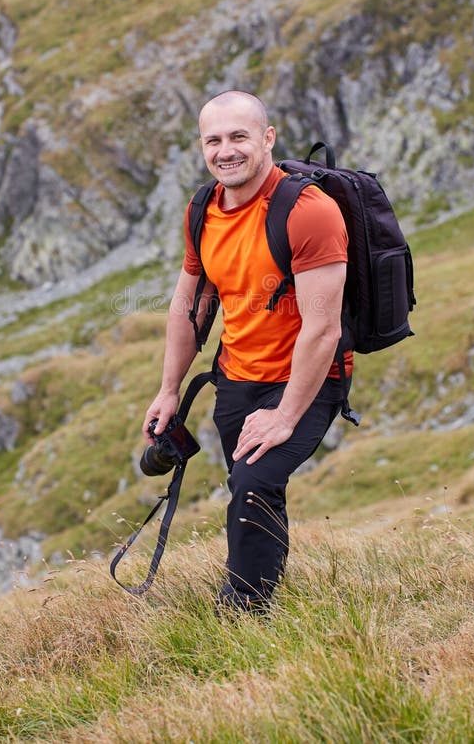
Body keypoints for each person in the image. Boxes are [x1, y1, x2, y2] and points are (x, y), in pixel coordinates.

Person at [143, 90, 352, 612]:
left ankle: (240, 614)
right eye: (214, 140)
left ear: (267, 138)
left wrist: (284, 415)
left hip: (307, 378)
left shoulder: (309, 212)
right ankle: (265, 596)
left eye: (239, 136)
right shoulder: (202, 209)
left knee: (255, 480)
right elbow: (189, 307)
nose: (226, 150)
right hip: (236, 377)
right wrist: (169, 392)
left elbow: (323, 329)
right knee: (249, 481)